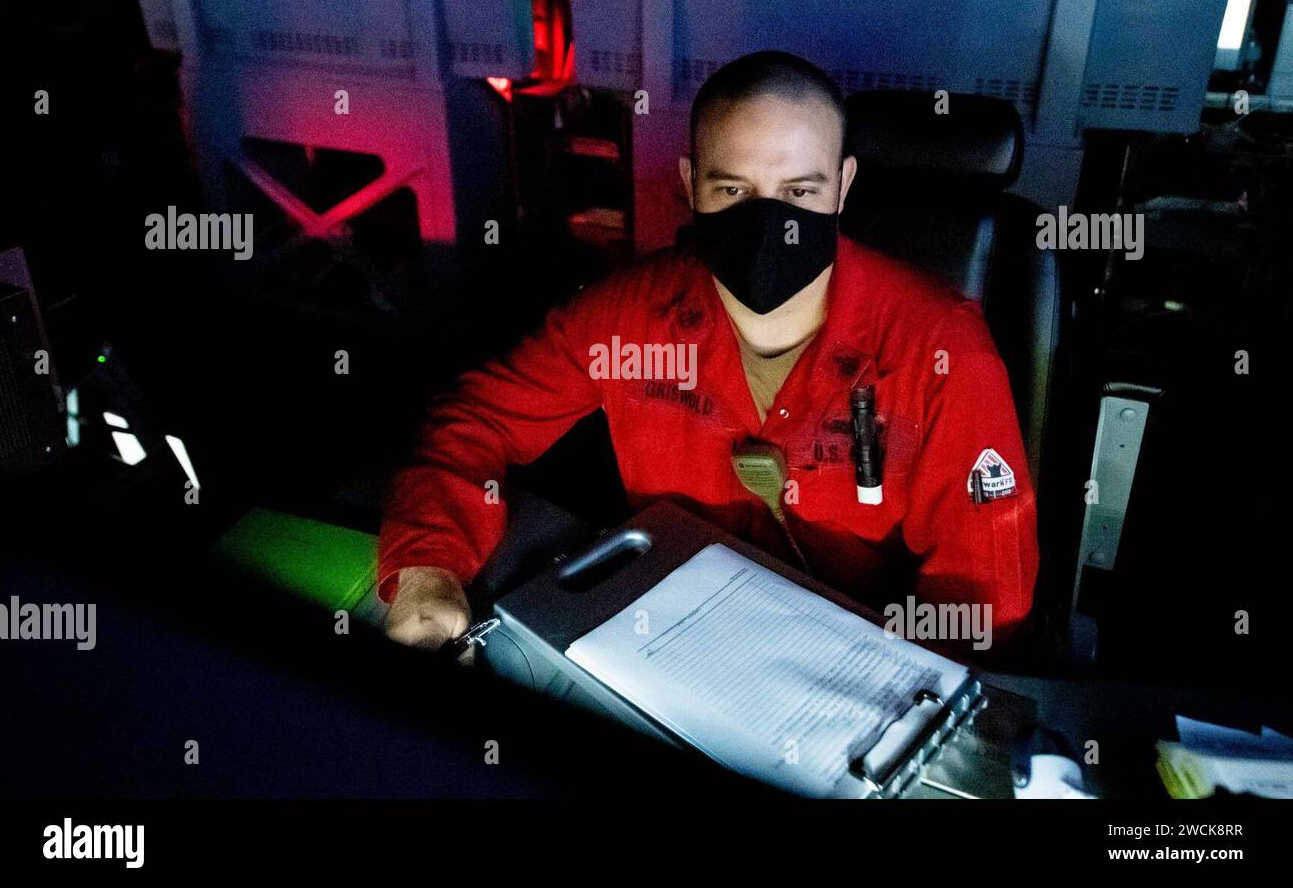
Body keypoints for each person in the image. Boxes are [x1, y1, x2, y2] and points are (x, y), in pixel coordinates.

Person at [380, 50, 1039, 657]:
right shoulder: (627, 316)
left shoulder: (939, 346)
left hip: (854, 664)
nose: (770, 224)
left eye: (800, 192)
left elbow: (984, 594)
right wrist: (426, 568)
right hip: (663, 639)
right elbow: (479, 418)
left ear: (843, 185)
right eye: (733, 190)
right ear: (692, 184)